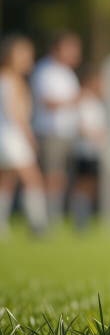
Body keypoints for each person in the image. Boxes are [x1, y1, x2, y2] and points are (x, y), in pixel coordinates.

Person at [31, 32, 82, 223]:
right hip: (50, 132)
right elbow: (48, 102)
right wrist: (75, 100)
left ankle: (55, 214)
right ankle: (45, 216)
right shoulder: (45, 70)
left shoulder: (68, 73)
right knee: (50, 176)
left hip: (68, 132)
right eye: (70, 48)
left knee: (61, 177)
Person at [0, 35, 48, 236]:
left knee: (6, 182)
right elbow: (15, 112)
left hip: (8, 135)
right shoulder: (9, 79)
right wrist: (29, 135)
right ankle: (38, 224)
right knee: (33, 179)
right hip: (11, 135)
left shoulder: (12, 79)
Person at [70, 66, 106, 230]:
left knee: (91, 185)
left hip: (95, 151)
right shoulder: (84, 101)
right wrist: (97, 136)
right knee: (82, 185)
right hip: (83, 150)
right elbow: (81, 127)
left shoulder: (98, 103)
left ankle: (84, 220)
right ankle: (79, 220)